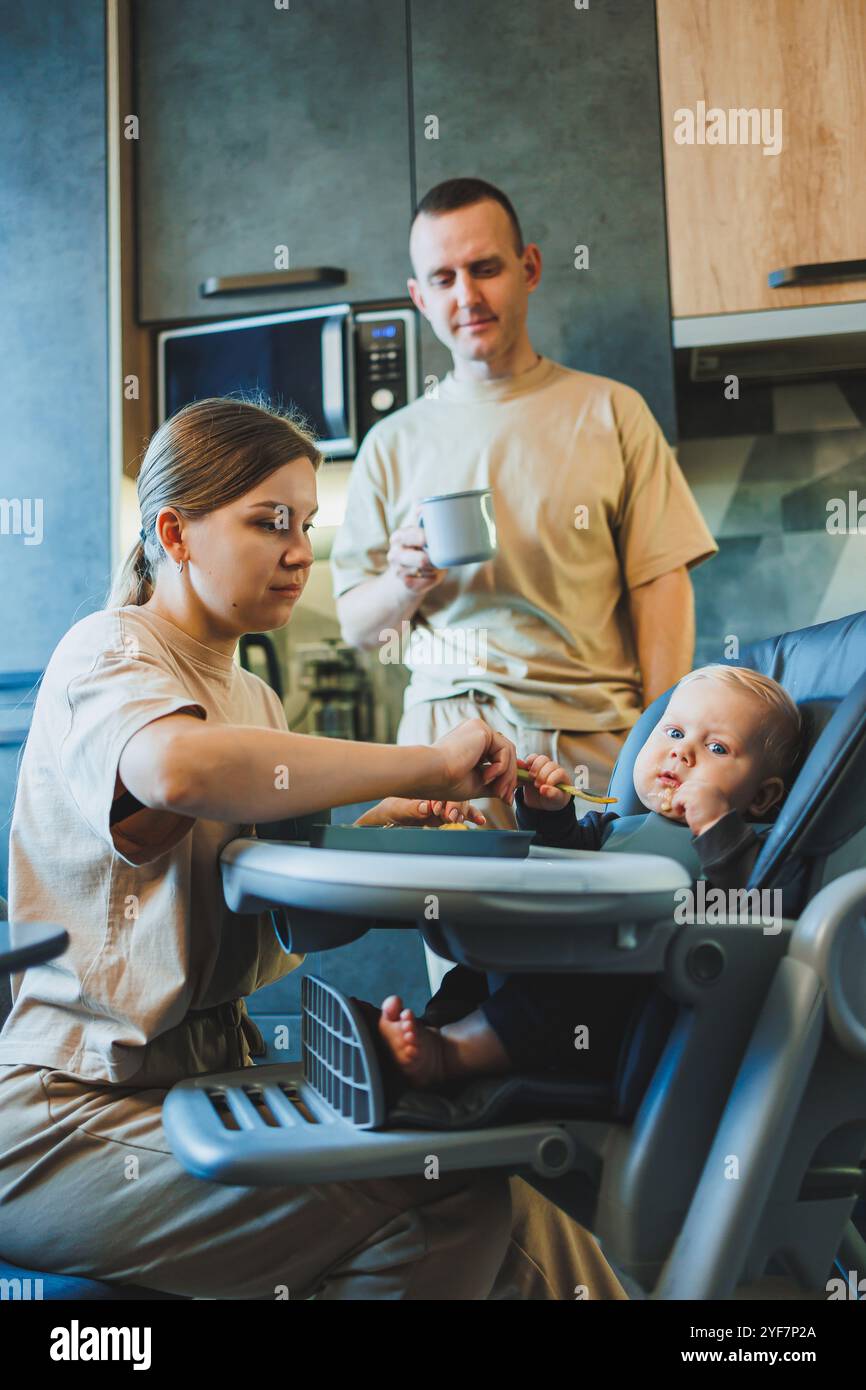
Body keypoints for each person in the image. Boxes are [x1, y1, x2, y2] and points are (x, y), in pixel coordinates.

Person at [0, 395, 626, 1299]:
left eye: (306, 523)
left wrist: (385, 835)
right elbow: (176, 772)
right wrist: (427, 763)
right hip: (72, 1110)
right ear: (175, 533)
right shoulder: (108, 653)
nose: (300, 550)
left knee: (505, 1192)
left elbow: (296, 922)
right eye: (269, 522)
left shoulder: (251, 696)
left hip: (207, 1074)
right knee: (441, 1202)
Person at [330, 175, 719, 994]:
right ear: (418, 295)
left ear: (531, 267)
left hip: (588, 750)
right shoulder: (392, 444)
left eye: (486, 268)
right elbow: (361, 625)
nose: (466, 294)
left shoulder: (614, 412)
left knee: (606, 1000)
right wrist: (404, 583)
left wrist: (664, 741)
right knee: (465, 994)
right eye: (443, 278)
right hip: (444, 763)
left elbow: (662, 588)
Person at [375, 666, 803, 1089]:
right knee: (474, 970)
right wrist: (550, 814)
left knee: (561, 994)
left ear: (763, 797)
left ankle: (453, 1055)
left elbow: (756, 909)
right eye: (674, 733)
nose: (683, 753)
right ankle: (436, 1030)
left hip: (618, 1004)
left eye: (717, 748)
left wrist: (717, 830)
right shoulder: (616, 827)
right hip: (561, 959)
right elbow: (563, 861)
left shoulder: (750, 849)